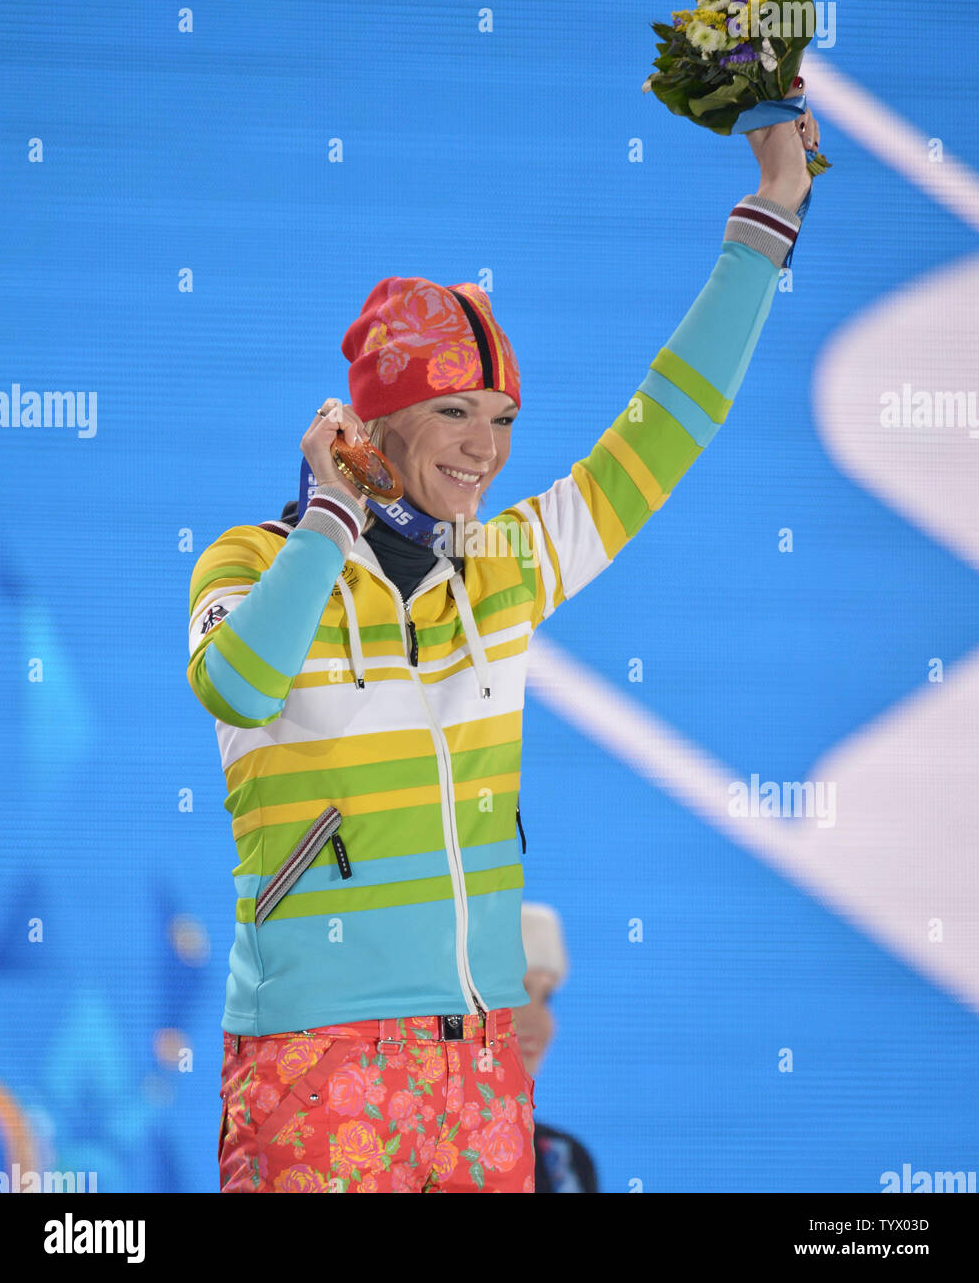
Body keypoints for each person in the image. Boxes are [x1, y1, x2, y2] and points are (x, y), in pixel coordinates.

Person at [187, 90, 820, 1193]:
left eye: (502, 418)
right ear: (376, 421)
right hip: (314, 1061)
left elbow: (666, 425)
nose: (486, 449)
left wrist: (770, 208)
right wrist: (333, 519)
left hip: (478, 1070)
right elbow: (237, 686)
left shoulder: (503, 567)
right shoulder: (250, 560)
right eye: (453, 414)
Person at [516, 902, 599, 1192]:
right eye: (515, 993)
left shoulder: (565, 1159)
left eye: (546, 998)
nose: (535, 1019)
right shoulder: (410, 1148)